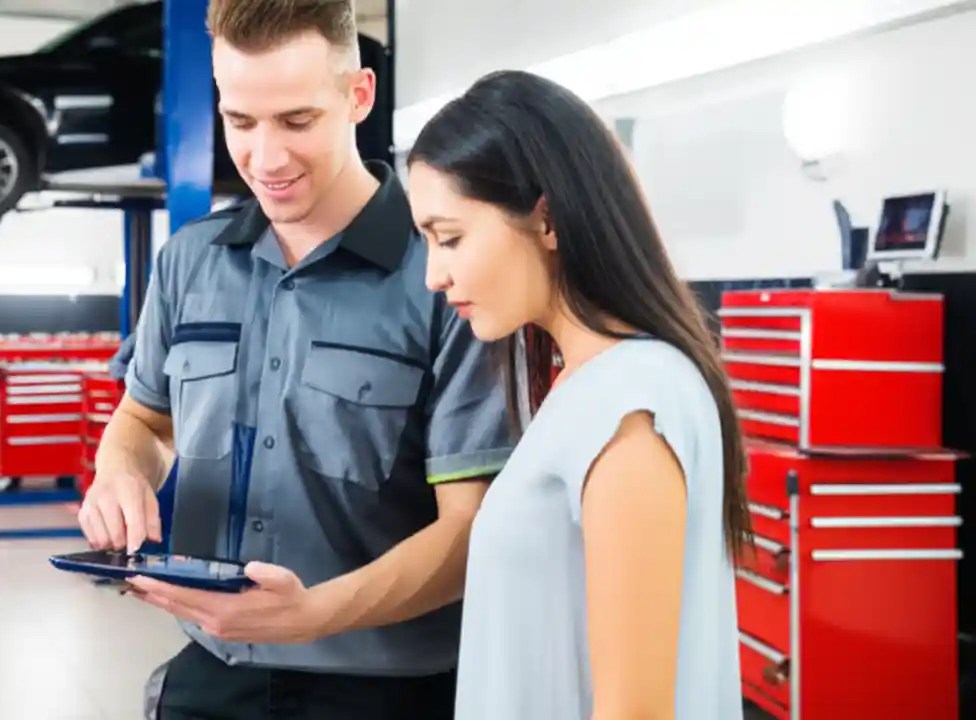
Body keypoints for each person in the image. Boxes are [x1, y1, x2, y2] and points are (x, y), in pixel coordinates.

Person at [77, 1, 514, 718]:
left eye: (297, 121)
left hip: (388, 690)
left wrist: (312, 615)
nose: (266, 158)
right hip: (212, 673)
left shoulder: (442, 273)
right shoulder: (190, 261)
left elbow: (471, 527)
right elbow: (145, 420)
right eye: (240, 122)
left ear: (358, 96)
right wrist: (119, 470)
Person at [404, 70, 752, 720]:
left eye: (449, 238)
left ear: (548, 219)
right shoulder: (585, 388)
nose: (434, 273)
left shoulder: (630, 407)